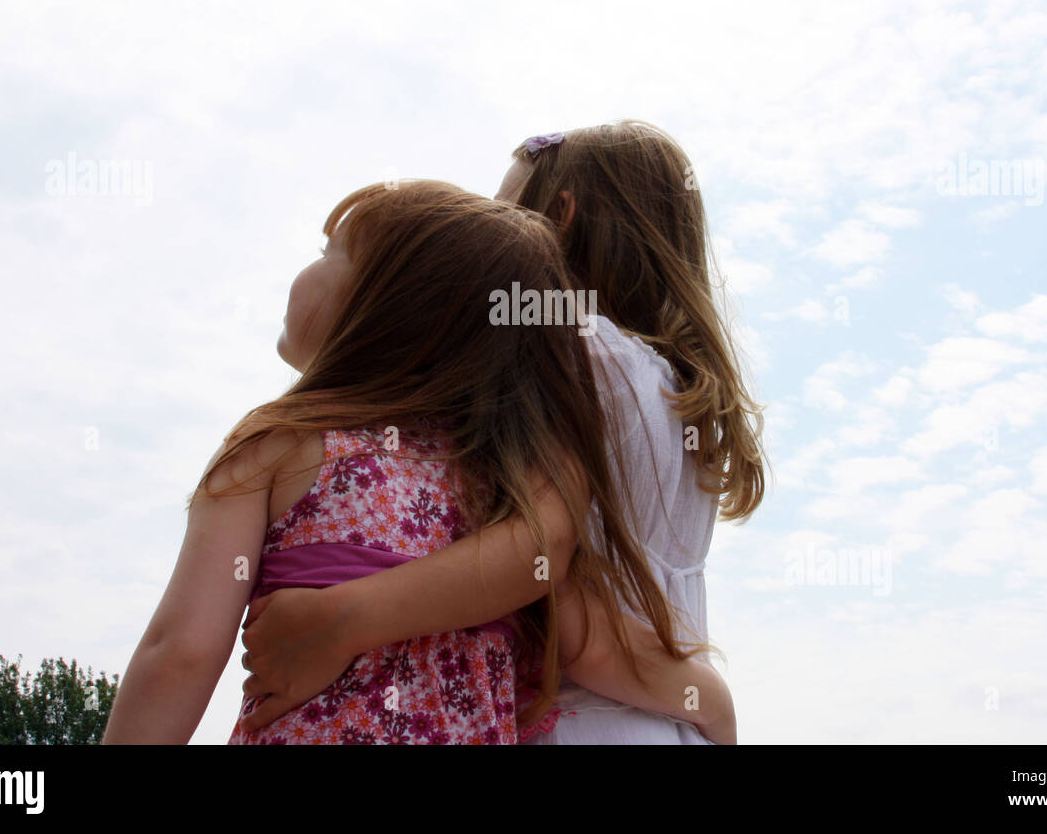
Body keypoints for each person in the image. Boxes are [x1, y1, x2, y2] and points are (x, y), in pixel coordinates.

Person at [101, 179, 734, 745]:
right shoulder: (499, 484)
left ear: (385, 309)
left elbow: (180, 652)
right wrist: (711, 704)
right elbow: (590, 647)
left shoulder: (274, 444)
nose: (308, 268)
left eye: (330, 252)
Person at [240, 121, 767, 744]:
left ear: (557, 218)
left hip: (574, 722)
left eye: (500, 212)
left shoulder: (568, 348)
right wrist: (707, 703)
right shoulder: (676, 390)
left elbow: (560, 606)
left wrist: (342, 619)